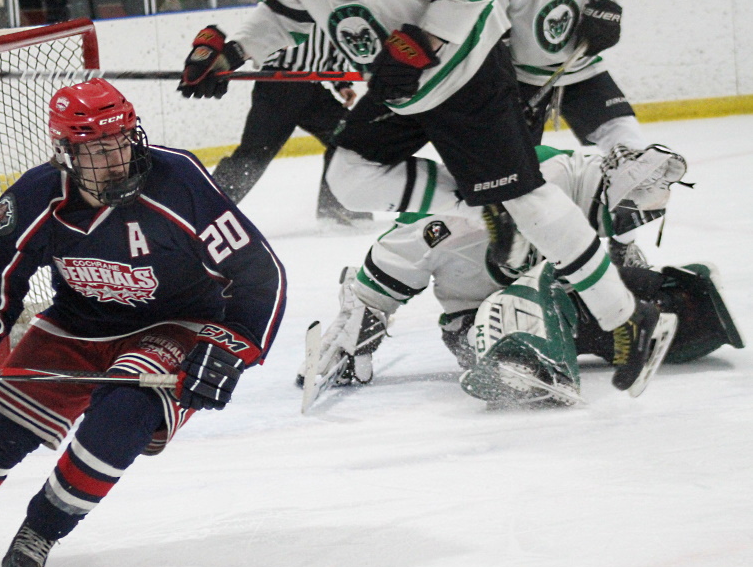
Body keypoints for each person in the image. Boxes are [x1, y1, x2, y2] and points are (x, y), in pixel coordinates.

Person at [178, 0, 666, 393]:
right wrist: (233, 52)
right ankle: (484, 206)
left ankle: (626, 318)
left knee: (528, 198)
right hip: (403, 88)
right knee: (349, 176)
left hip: (469, 75)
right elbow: (286, 9)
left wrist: (420, 44)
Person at [0, 79, 286, 567]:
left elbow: (258, 274)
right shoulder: (37, 194)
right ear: (65, 151)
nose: (116, 159)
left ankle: (41, 531)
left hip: (175, 324)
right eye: (97, 149)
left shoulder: (178, 180)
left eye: (122, 141)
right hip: (77, 323)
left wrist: (230, 347)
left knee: (122, 415)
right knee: (0, 428)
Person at [306, 143, 741, 406]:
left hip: (553, 303)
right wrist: (365, 309)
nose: (627, 229)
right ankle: (517, 361)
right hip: (476, 324)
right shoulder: (508, 197)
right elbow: (405, 246)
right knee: (534, 294)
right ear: (615, 196)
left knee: (665, 299)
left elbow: (603, 266)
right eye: (630, 219)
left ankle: (683, 311)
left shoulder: (589, 189)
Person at [478, 0, 650, 154]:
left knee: (633, 150)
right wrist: (499, 81)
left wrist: (608, 5)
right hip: (521, 78)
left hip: (581, 65)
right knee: (507, 165)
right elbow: (486, 29)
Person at [211, 25, 369, 225]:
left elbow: (333, 47)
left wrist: (341, 84)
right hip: (278, 88)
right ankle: (207, 209)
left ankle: (335, 206)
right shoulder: (289, 2)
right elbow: (259, 36)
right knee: (253, 155)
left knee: (351, 137)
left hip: (311, 88)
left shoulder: (329, 8)